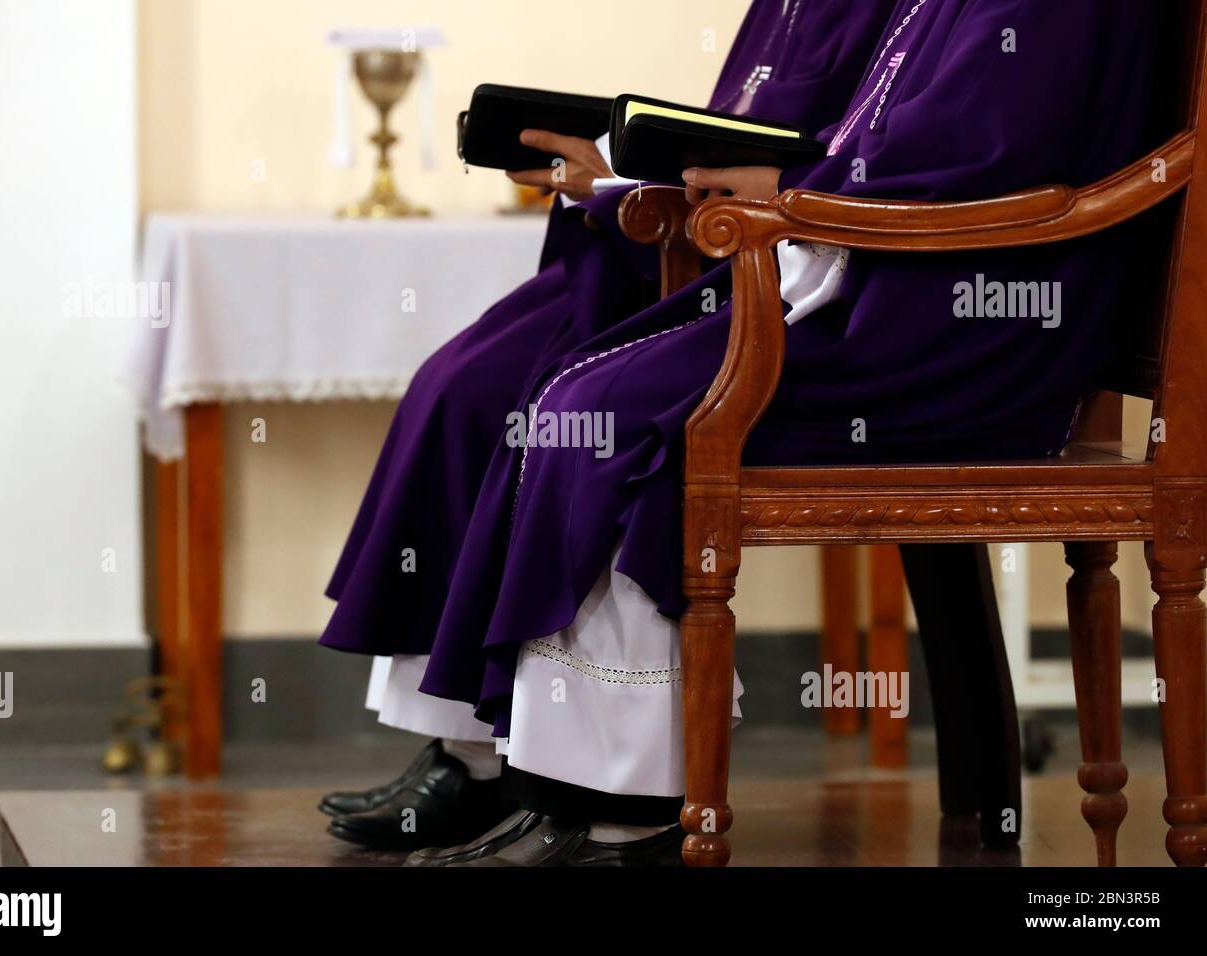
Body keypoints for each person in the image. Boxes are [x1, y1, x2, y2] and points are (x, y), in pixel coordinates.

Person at [318, 0, 902, 863]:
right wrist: (619, 174)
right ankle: (478, 749)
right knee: (461, 388)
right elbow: (727, 148)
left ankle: (598, 795)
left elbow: (860, 171)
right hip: (712, 255)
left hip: (790, 282)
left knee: (577, 416)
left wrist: (648, 192)